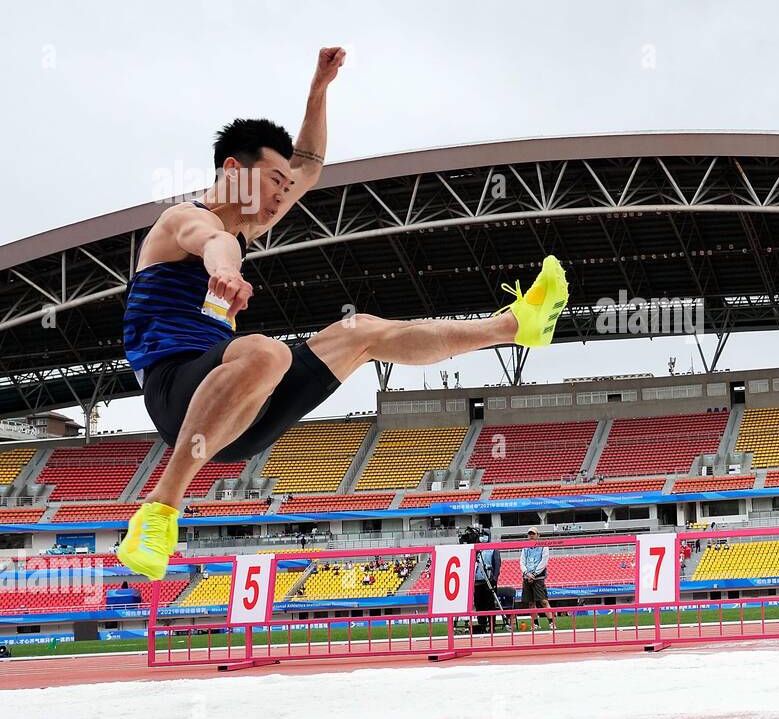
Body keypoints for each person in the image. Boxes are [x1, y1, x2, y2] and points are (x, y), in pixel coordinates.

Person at [116, 49, 570, 580]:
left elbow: (307, 165)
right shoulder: (183, 220)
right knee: (266, 351)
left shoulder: (248, 224)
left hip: (240, 414)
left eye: (285, 188)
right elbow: (213, 240)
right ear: (234, 171)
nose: (284, 194)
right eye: (274, 182)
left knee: (361, 332)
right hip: (178, 396)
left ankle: (518, 325)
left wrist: (318, 89)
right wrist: (225, 272)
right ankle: (160, 512)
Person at [520, 527, 554, 631]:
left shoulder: (544, 547)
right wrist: (527, 573)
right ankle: (535, 623)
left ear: (538, 535)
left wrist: (533, 574)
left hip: (538, 577)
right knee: (530, 602)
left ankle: (551, 622)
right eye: (530, 534)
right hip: (527, 576)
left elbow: (544, 562)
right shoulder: (524, 548)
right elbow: (522, 561)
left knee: (543, 601)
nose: (531, 536)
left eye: (533, 534)